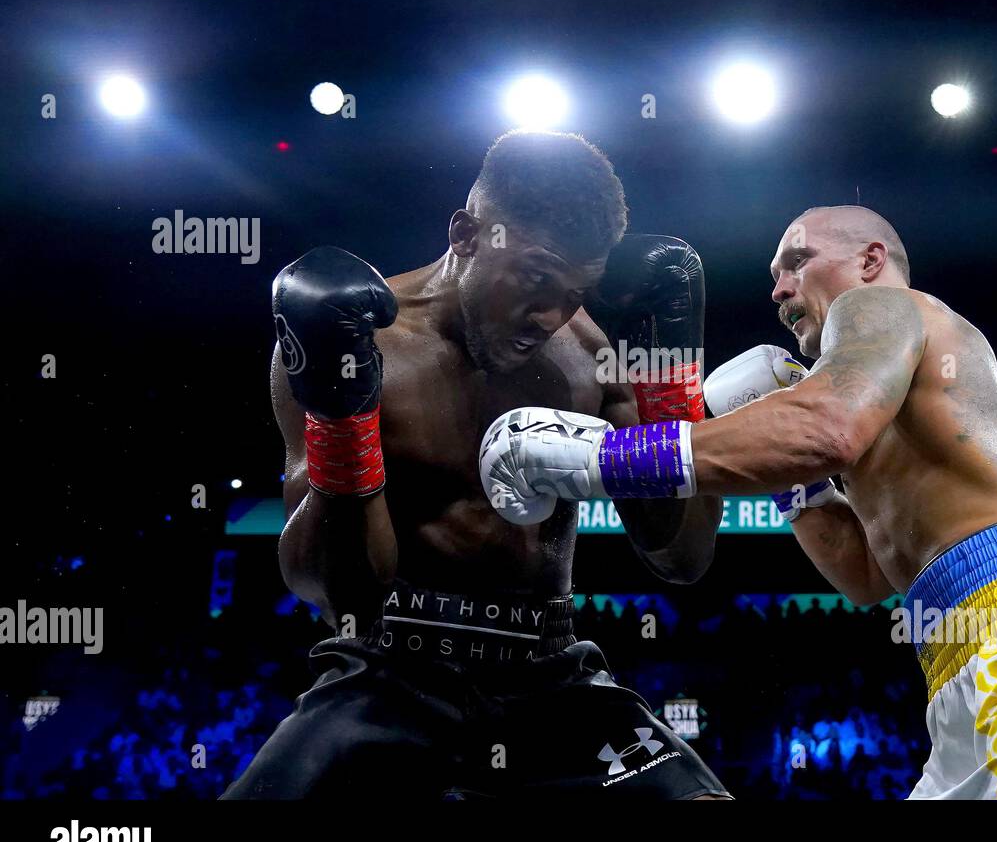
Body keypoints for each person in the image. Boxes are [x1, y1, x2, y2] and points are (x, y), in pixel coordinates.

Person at [479, 204, 997, 800]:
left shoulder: (883, 306)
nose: (779, 289)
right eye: (774, 275)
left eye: (797, 261)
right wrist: (795, 482)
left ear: (872, 259)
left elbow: (826, 429)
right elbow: (866, 578)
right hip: (961, 657)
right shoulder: (884, 399)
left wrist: (597, 460)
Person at [223, 130, 730, 799]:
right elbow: (337, 592)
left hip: (554, 681)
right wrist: (343, 419)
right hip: (384, 678)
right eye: (536, 278)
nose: (552, 315)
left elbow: (681, 556)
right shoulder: (355, 343)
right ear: (466, 235)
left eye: (579, 291)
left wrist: (671, 380)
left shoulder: (587, 357)